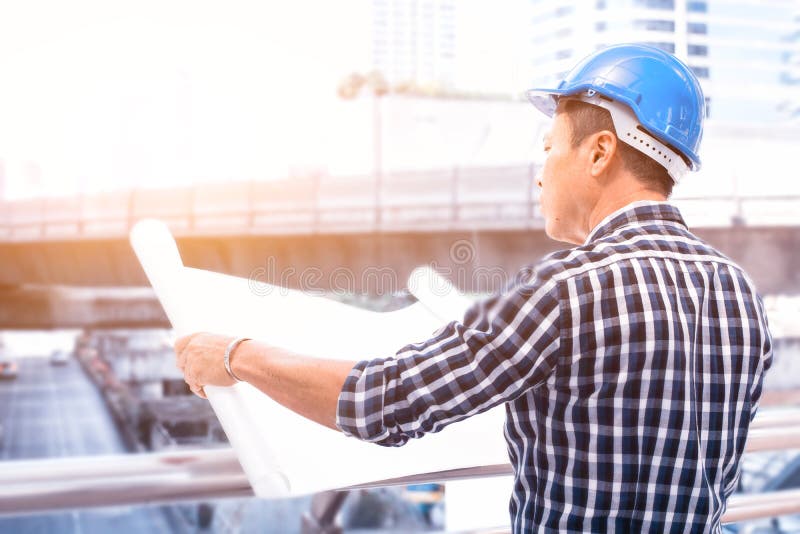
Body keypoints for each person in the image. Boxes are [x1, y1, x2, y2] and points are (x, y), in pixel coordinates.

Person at [174, 44, 773, 532]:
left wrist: (234, 355)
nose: (540, 174)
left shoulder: (565, 291)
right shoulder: (739, 294)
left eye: (548, 148)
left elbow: (381, 401)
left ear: (599, 152)